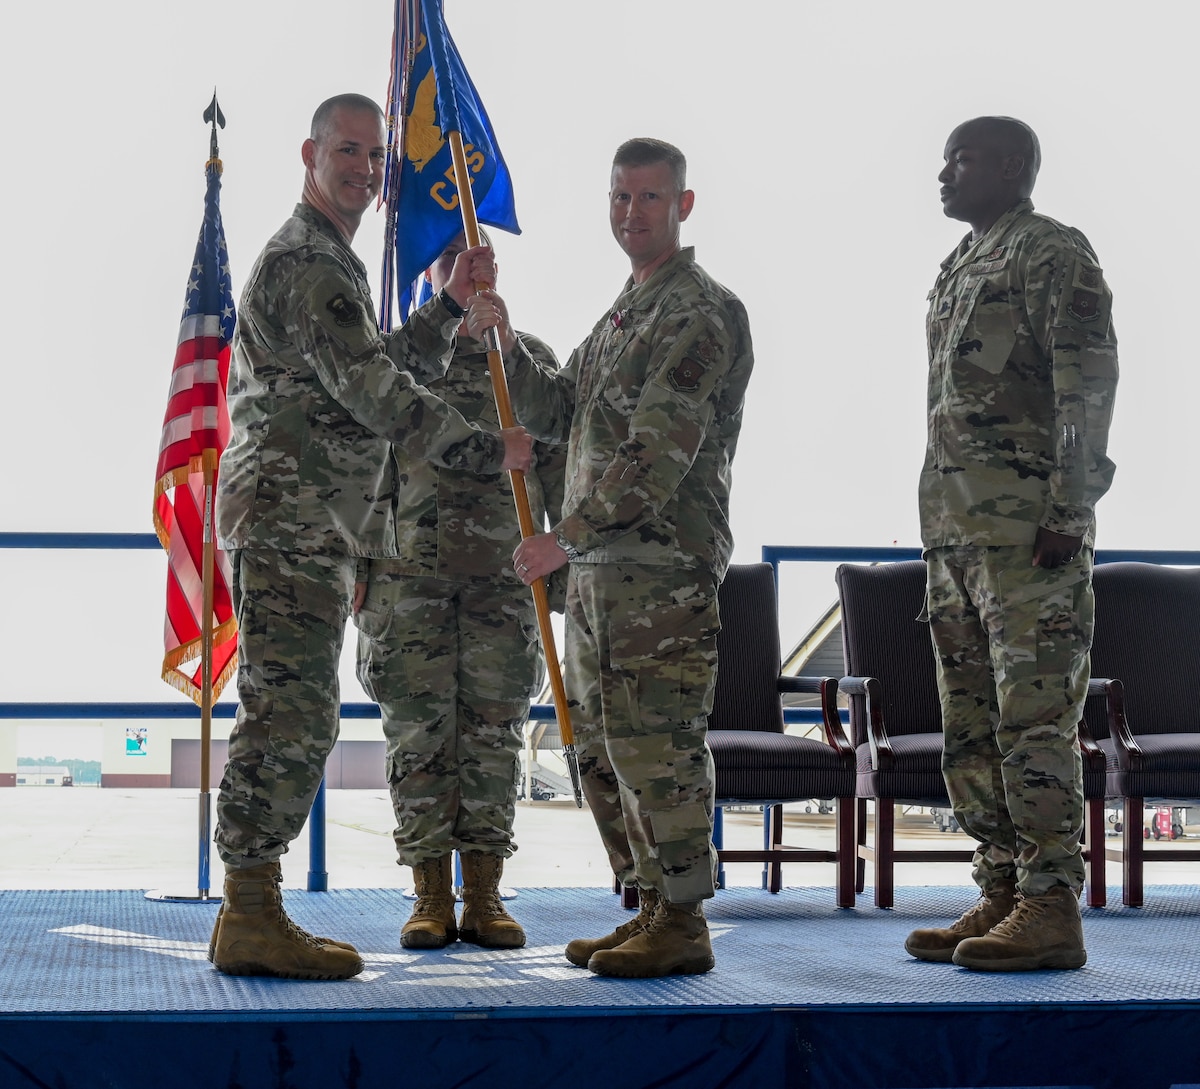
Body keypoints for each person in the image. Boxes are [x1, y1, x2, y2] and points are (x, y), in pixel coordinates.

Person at [208, 93, 532, 981]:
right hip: (290, 524)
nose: (364, 169)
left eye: (375, 158)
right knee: (290, 715)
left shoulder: (329, 261)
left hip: (308, 527)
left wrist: (446, 310)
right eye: (348, 152)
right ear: (309, 152)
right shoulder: (310, 262)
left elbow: (374, 366)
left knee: (293, 713)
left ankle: (250, 907)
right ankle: (250, 909)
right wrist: (484, 447)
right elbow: (378, 397)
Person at [468, 137, 755, 978]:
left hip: (658, 573)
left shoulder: (699, 309)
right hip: (597, 576)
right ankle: (647, 903)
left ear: (683, 206)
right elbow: (560, 406)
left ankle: (684, 917)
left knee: (654, 740)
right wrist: (507, 341)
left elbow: (659, 450)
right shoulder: (626, 310)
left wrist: (567, 534)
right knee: (597, 743)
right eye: (620, 199)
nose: (633, 214)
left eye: (650, 199)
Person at [905, 116, 1118, 972]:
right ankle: (1000, 886)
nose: (944, 174)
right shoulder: (962, 263)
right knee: (972, 725)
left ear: (1013, 166)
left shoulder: (1051, 252)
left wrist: (1070, 505)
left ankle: (1051, 902)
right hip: (958, 537)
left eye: (960, 159)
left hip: (1030, 537)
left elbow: (1087, 383)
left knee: (1032, 721)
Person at [353, 231, 564, 951]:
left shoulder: (527, 361)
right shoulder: (406, 361)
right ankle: (428, 896)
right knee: (419, 739)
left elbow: (561, 460)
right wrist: (357, 565)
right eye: (451, 263)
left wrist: (562, 573)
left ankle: (483, 893)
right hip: (410, 577)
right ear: (434, 273)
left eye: (479, 262)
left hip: (504, 583)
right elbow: (362, 464)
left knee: (494, 736)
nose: (468, 273)